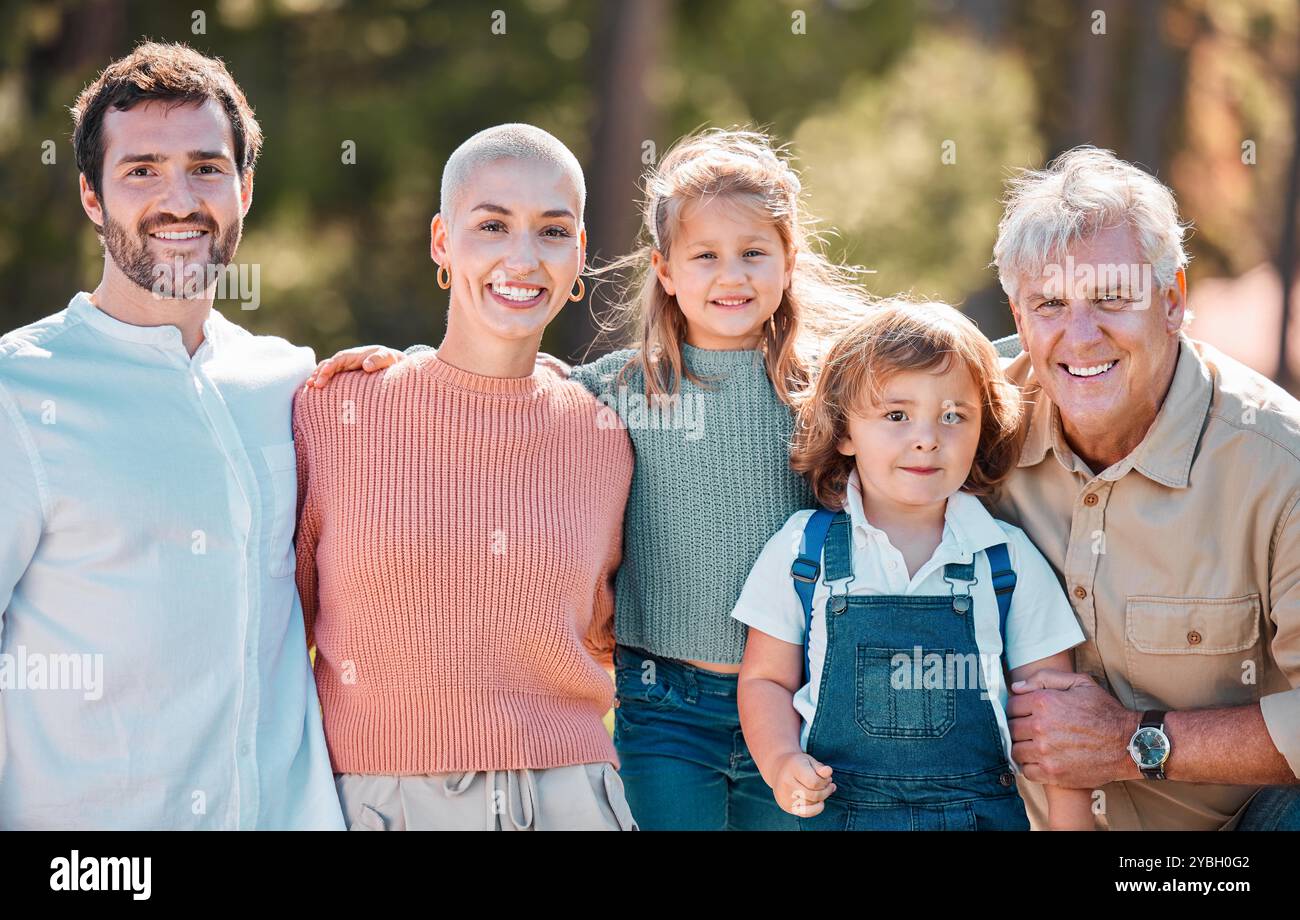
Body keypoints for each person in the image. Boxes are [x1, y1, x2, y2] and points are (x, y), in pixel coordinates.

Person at [313, 127, 875, 830]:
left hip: (797, 702)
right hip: (660, 709)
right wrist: (412, 366)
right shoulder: (614, 396)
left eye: (551, 230)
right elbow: (486, 395)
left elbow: (929, 419)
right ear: (665, 269)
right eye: (491, 225)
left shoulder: (814, 396)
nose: (730, 276)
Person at [0, 42, 341, 829]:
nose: (179, 199)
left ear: (245, 188)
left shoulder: (292, 383)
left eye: (206, 168)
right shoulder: (21, 391)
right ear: (92, 197)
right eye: (142, 170)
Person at [292, 123, 637, 830]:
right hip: (381, 803)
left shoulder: (606, 435)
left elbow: (619, 637)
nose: (522, 257)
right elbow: (273, 635)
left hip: (575, 800)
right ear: (442, 243)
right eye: (492, 225)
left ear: (578, 254)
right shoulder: (334, 412)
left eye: (551, 230)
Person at [988, 147, 1300, 830]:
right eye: (1049, 304)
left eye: (1110, 298)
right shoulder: (969, 424)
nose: (1080, 336)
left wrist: (1132, 741)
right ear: (1017, 309)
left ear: (1172, 301)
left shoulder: (1281, 466)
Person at [733, 300, 1091, 830]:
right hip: (841, 813)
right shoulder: (802, 550)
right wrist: (781, 760)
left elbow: (1058, 717)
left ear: (981, 429)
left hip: (978, 816)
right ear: (845, 431)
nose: (927, 437)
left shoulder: (1005, 559)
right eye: (896, 415)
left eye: (953, 416)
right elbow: (766, 680)